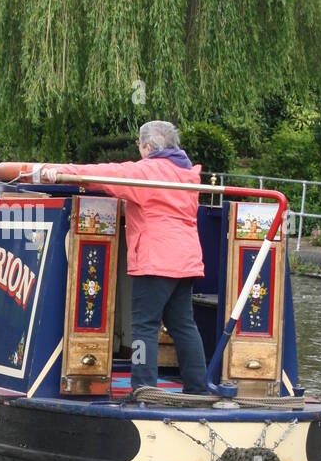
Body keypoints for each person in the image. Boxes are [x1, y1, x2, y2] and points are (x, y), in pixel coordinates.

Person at [39, 121, 208, 398]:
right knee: (184, 326)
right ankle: (197, 389)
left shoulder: (147, 172)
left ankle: (143, 388)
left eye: (140, 147)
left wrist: (61, 172)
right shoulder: (188, 175)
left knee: (144, 325)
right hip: (186, 260)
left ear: (149, 147)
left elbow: (107, 174)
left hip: (155, 259)